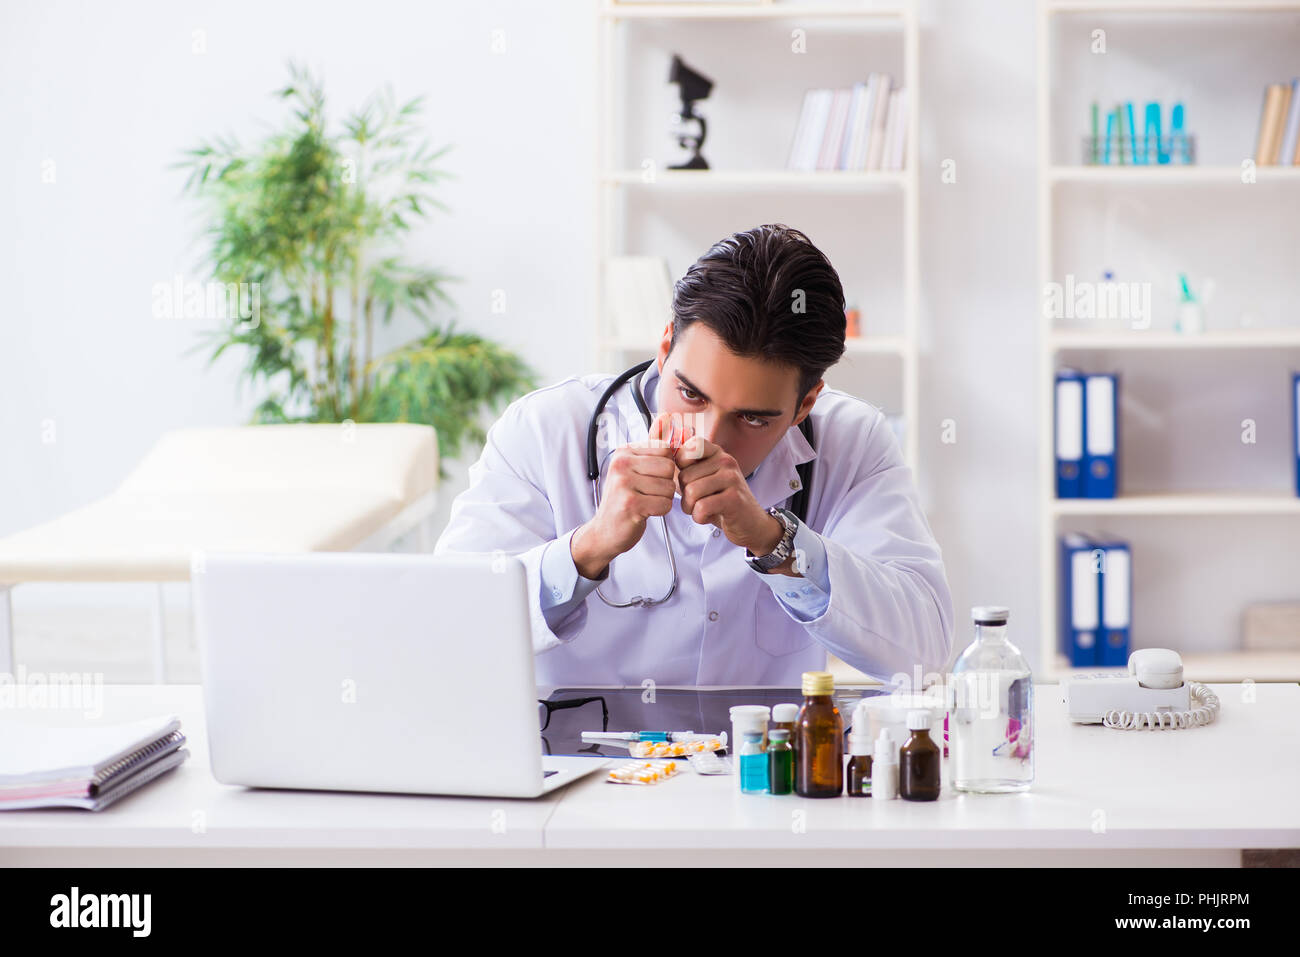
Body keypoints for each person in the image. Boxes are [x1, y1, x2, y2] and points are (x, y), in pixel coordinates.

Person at [435, 224, 953, 686]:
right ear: (665, 349)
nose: (711, 438)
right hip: (582, 775)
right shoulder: (546, 429)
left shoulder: (851, 442)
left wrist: (776, 542)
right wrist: (589, 548)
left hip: (756, 776)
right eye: (690, 394)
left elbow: (923, 654)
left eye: (753, 418)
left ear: (805, 404)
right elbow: (449, 626)